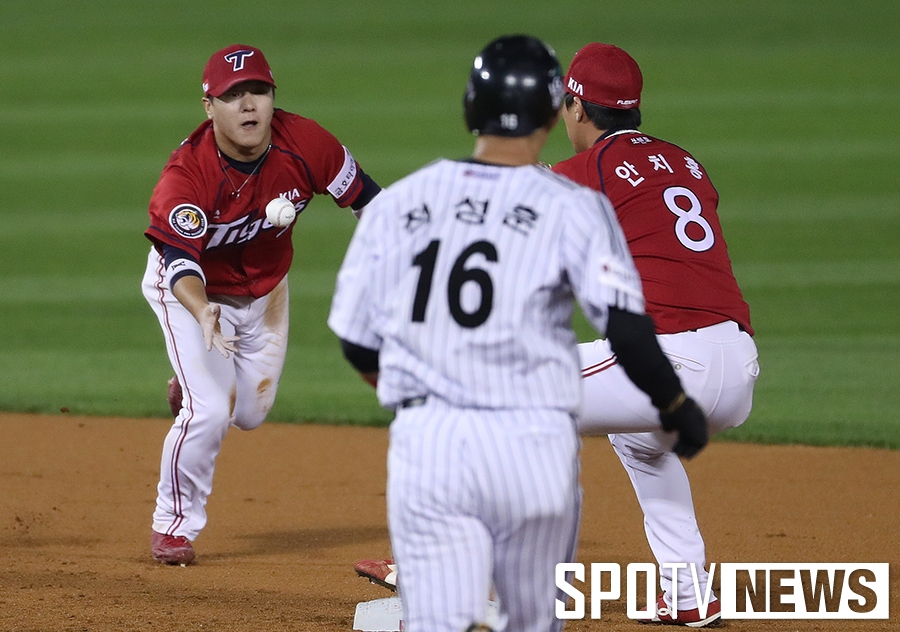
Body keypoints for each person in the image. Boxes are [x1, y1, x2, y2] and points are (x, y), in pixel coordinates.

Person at [328, 34, 708, 632]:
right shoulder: (572, 207)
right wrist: (675, 403)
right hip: (532, 448)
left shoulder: (402, 201)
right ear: (551, 114)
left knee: (432, 618)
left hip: (432, 443)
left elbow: (355, 338)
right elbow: (628, 330)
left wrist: (404, 393)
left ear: (470, 109)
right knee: (531, 621)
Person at [141, 44, 381, 565]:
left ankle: (192, 383)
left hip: (267, 291)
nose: (248, 105)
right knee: (209, 413)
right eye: (233, 95)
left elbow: (370, 202)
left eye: (259, 91)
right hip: (191, 293)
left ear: (274, 98)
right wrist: (202, 309)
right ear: (209, 107)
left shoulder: (308, 144)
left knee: (248, 413)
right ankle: (174, 526)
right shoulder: (187, 174)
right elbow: (180, 262)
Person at [550, 42, 760, 627]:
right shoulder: (686, 162)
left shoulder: (591, 166)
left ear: (579, 108)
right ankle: (688, 591)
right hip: (738, 365)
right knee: (639, 441)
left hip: (674, 360)